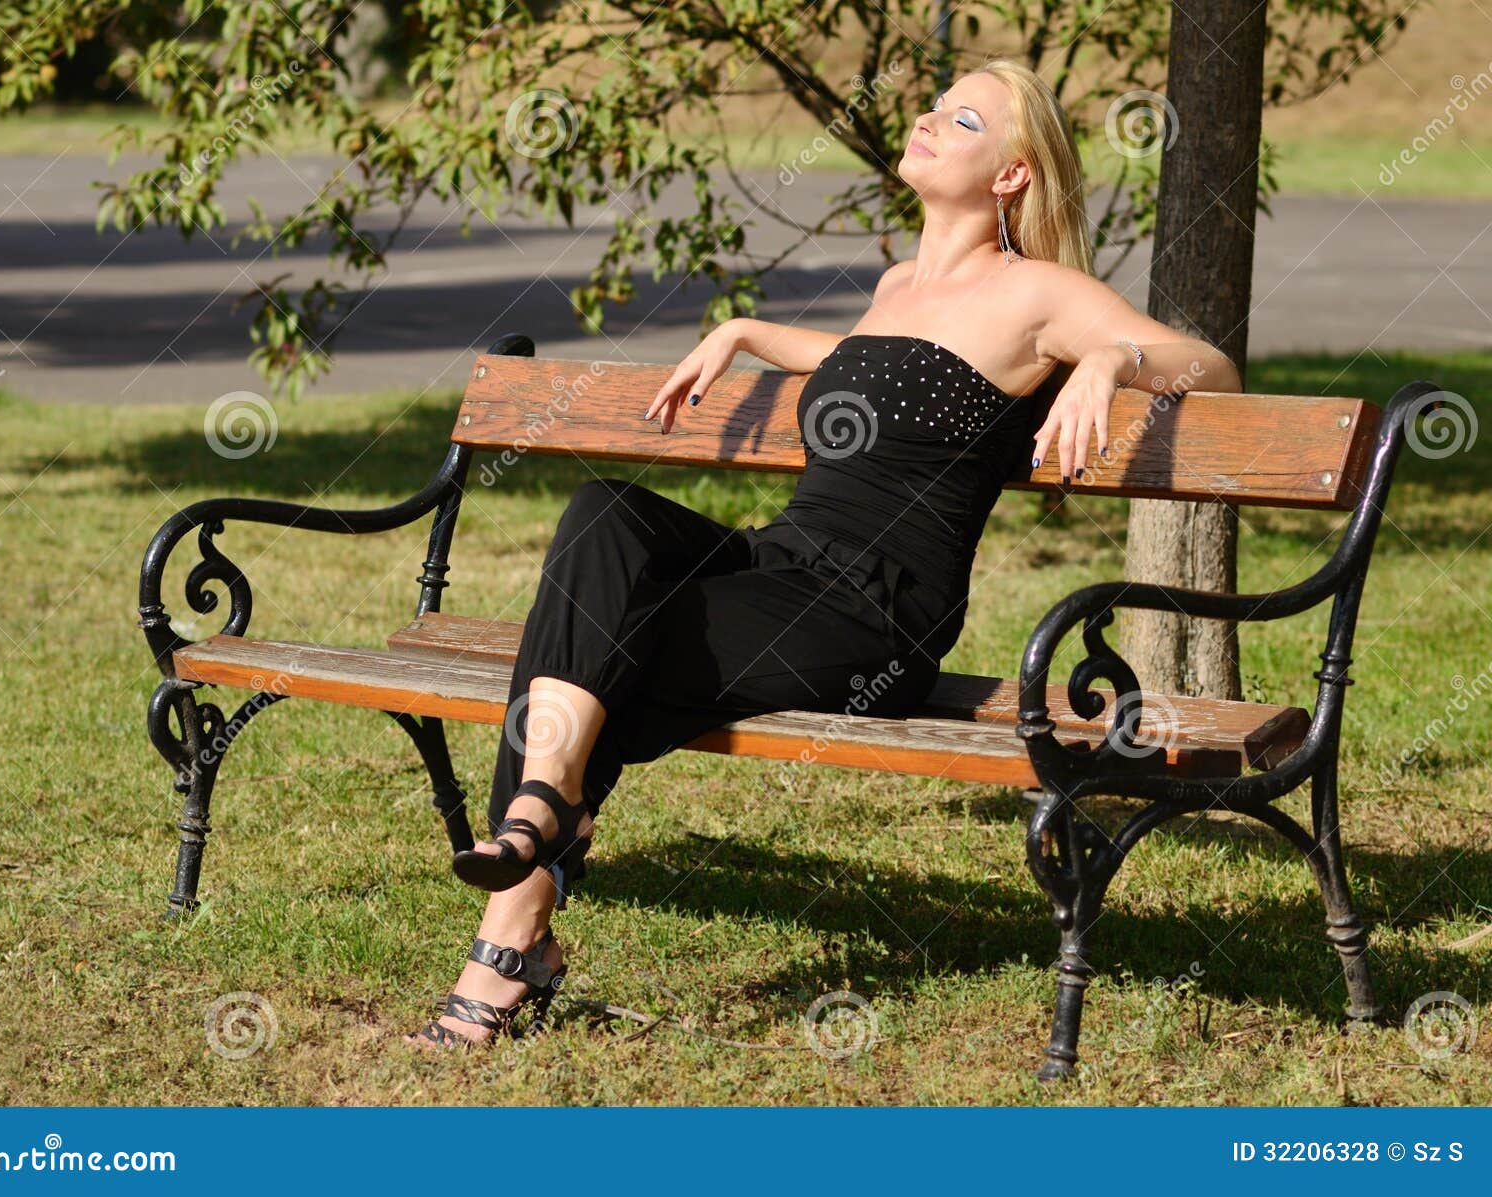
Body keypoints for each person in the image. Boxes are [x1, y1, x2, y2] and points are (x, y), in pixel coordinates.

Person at [406, 58, 1241, 1048]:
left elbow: (1215, 369)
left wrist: (1112, 356)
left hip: (873, 612)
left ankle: (511, 927)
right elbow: (894, 368)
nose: (928, 120)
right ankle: (545, 813)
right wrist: (751, 329)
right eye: (934, 106)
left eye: (961, 118)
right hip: (788, 560)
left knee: (599, 642)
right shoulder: (898, 283)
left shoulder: (1042, 295)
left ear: (1012, 174)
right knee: (604, 515)